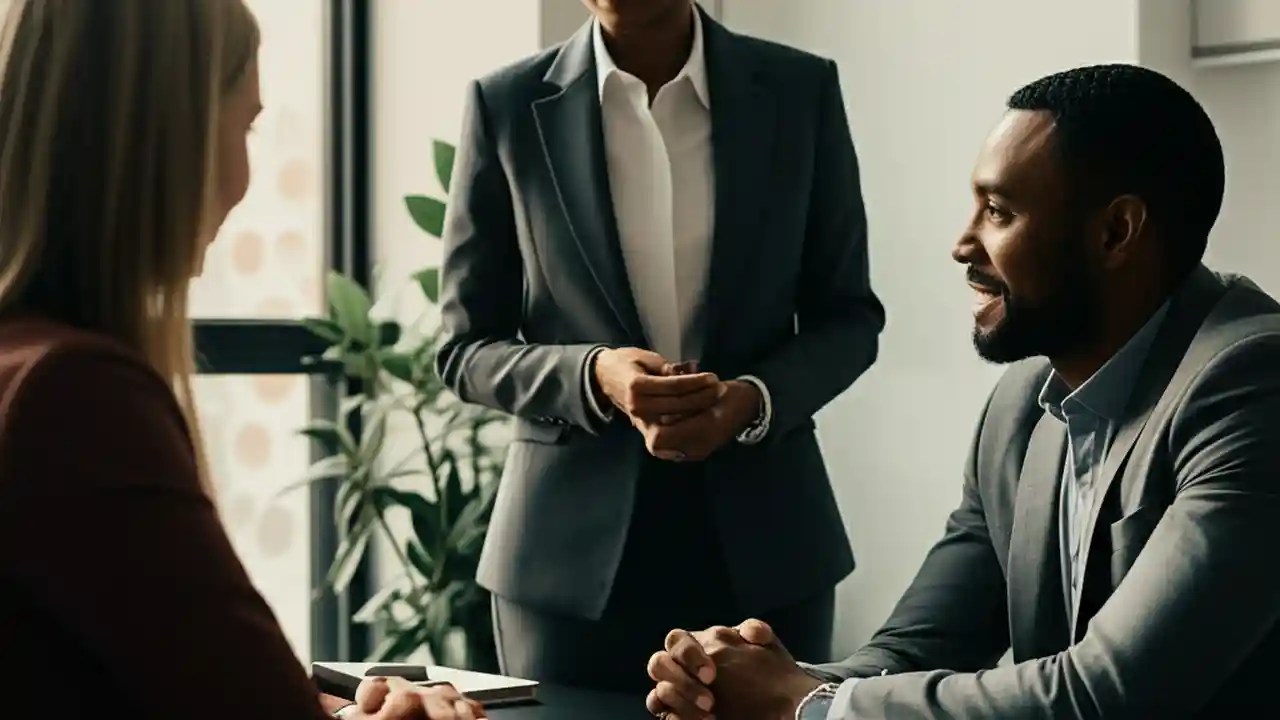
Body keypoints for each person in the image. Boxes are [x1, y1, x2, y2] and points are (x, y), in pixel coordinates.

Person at [645, 63, 1280, 719]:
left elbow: (1110, 692)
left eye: (999, 211)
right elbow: (916, 649)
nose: (962, 244)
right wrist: (744, 679)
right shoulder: (1022, 406)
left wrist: (805, 704)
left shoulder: (1253, 384)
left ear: (1115, 232)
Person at [0, 2, 482, 718]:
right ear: (165, 134)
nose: (244, 178)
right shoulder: (76, 399)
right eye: (244, 123)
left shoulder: (24, 365)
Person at [435, 0, 884, 691]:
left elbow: (849, 316)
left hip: (767, 541)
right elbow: (463, 348)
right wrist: (594, 375)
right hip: (564, 564)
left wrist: (752, 401)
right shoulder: (506, 104)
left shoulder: (799, 91)